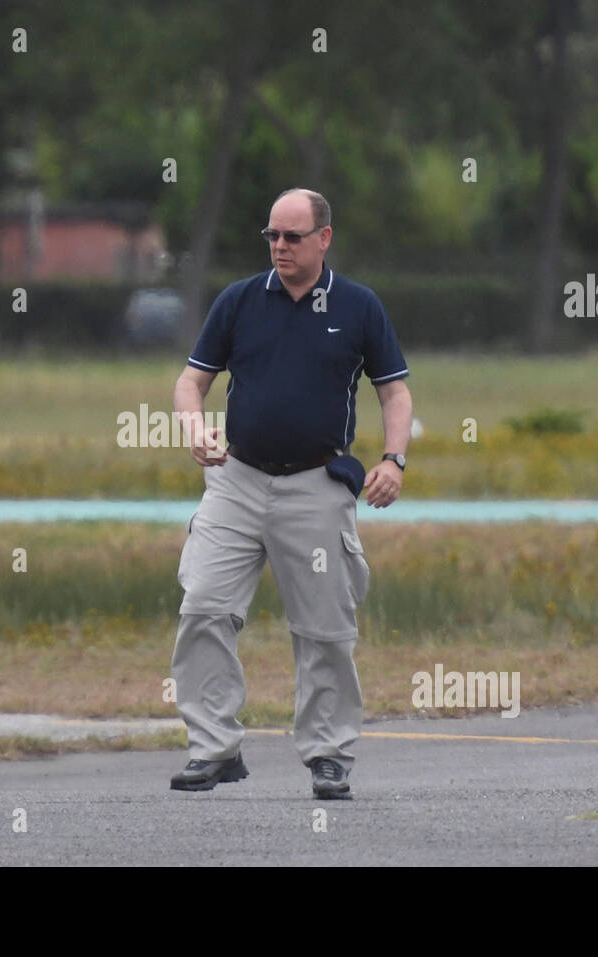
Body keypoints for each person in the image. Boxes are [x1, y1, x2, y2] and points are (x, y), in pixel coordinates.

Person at [169, 187, 412, 799]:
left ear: (323, 239)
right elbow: (191, 382)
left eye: (292, 236)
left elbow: (394, 392)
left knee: (324, 629)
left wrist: (394, 459)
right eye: (272, 236)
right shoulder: (240, 301)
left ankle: (328, 755)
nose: (279, 246)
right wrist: (194, 428)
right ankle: (213, 748)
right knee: (202, 607)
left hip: (316, 485)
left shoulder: (358, 306)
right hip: (237, 481)